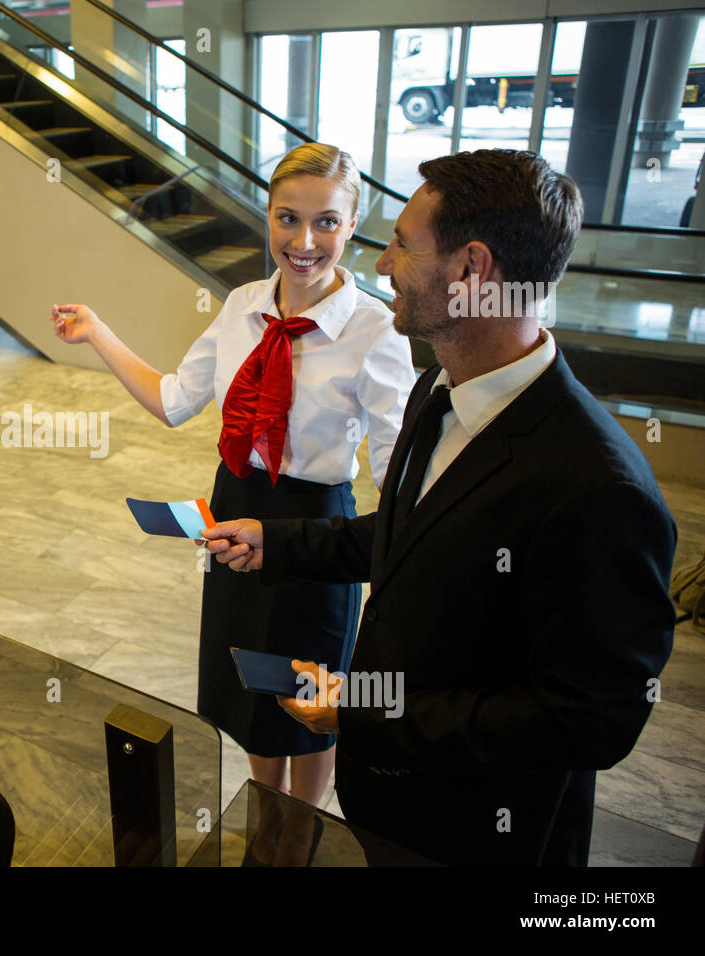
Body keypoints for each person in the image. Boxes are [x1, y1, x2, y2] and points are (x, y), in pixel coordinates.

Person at [203, 149, 678, 866]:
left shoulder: (599, 486)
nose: (383, 264)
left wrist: (368, 710)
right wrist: (281, 543)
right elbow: (409, 535)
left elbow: (591, 719)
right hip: (389, 812)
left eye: (400, 243)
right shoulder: (442, 389)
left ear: (470, 270)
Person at [53, 143, 415, 865]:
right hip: (236, 503)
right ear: (269, 216)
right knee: (249, 682)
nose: (304, 242)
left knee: (308, 696)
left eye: (327, 223)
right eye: (288, 218)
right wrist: (98, 333)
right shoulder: (242, 305)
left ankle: (298, 831)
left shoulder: (375, 329)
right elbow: (174, 400)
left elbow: (396, 466)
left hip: (317, 523)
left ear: (352, 228)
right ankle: (262, 818)